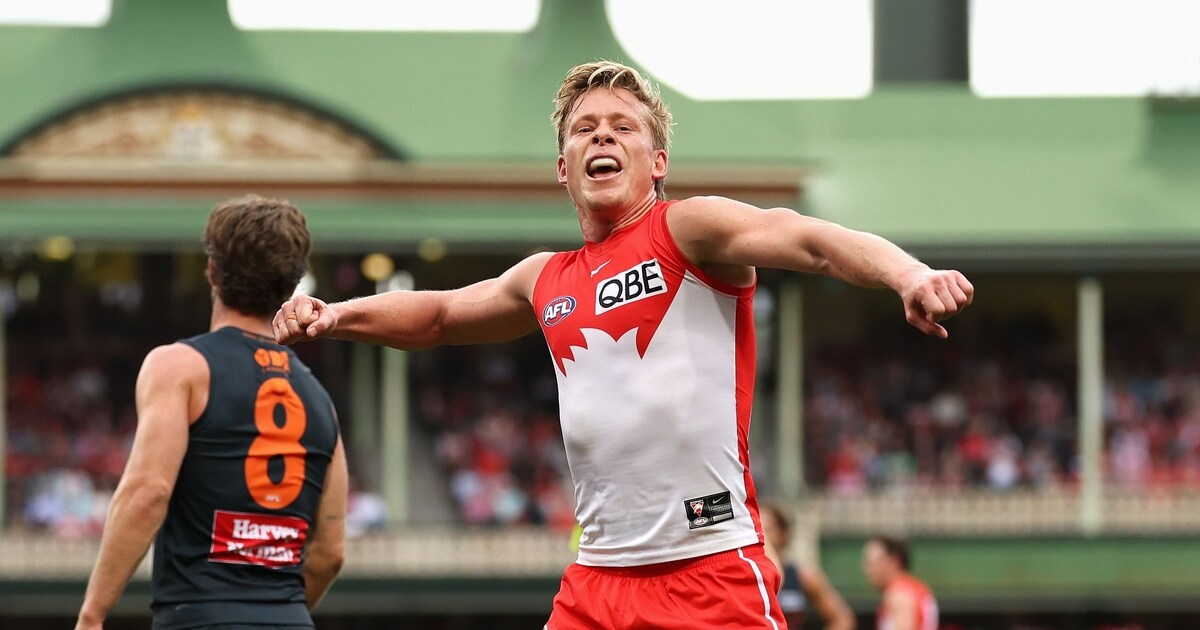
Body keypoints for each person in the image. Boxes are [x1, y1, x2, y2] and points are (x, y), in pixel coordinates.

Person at [275, 60, 973, 629]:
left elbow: (809, 239)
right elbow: (437, 314)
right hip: (596, 583)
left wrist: (907, 273)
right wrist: (335, 314)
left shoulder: (687, 230)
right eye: (585, 128)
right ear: (562, 165)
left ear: (656, 159)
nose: (602, 137)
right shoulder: (544, 277)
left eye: (622, 127)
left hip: (709, 572)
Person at [76, 195, 348, 630]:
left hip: (199, 616)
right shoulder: (319, 399)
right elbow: (330, 552)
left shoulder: (179, 367)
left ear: (212, 271)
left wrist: (92, 616)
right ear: (293, 284)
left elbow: (147, 493)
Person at [761, 503, 855, 630]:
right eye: (756, 530)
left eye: (767, 530)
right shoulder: (745, 578)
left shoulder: (804, 577)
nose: (762, 537)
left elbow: (842, 619)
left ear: (783, 534)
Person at [862, 536, 939, 630]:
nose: (868, 570)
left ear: (894, 560)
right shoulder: (914, 588)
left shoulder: (899, 594)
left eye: (872, 563)